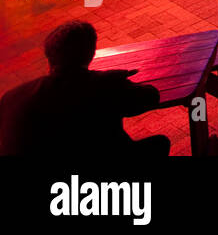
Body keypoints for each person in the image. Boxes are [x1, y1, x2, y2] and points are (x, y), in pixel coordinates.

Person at [0, 20, 169, 157]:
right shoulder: (104, 85)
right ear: (90, 54)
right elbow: (151, 96)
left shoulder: (11, 98)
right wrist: (118, 80)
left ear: (49, 54)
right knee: (159, 144)